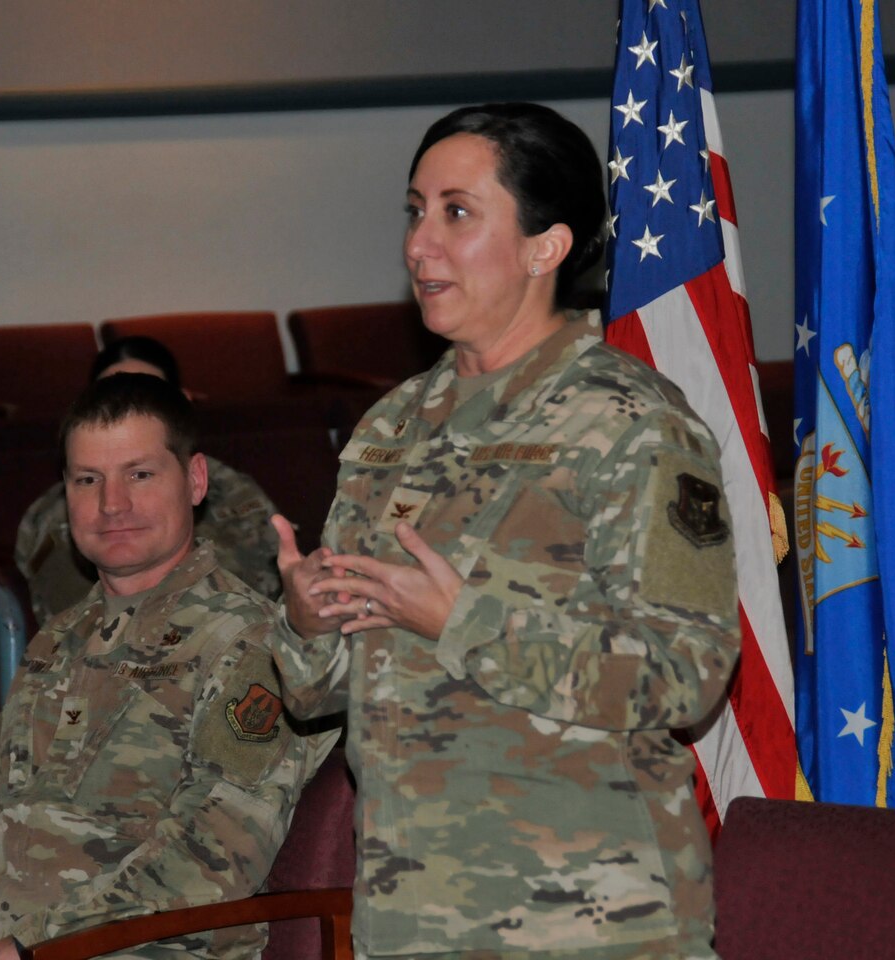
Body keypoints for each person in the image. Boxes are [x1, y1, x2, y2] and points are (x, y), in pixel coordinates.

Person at [270, 103, 741, 959]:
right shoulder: (392, 427)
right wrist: (306, 625)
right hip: (410, 909)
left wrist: (464, 622)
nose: (420, 243)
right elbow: (320, 695)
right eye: (415, 211)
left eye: (457, 212)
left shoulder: (630, 424)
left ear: (545, 246)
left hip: (591, 920)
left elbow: (688, 675)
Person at [0, 374, 328, 960]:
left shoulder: (253, 644)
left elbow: (210, 861)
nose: (112, 505)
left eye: (139, 475)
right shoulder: (59, 639)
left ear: (195, 480)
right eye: (88, 479)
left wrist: (21, 947)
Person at [15, 336, 282, 626]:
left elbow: (273, 593)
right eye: (112, 395)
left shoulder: (236, 492)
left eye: (140, 475)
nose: (113, 504)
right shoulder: (66, 517)